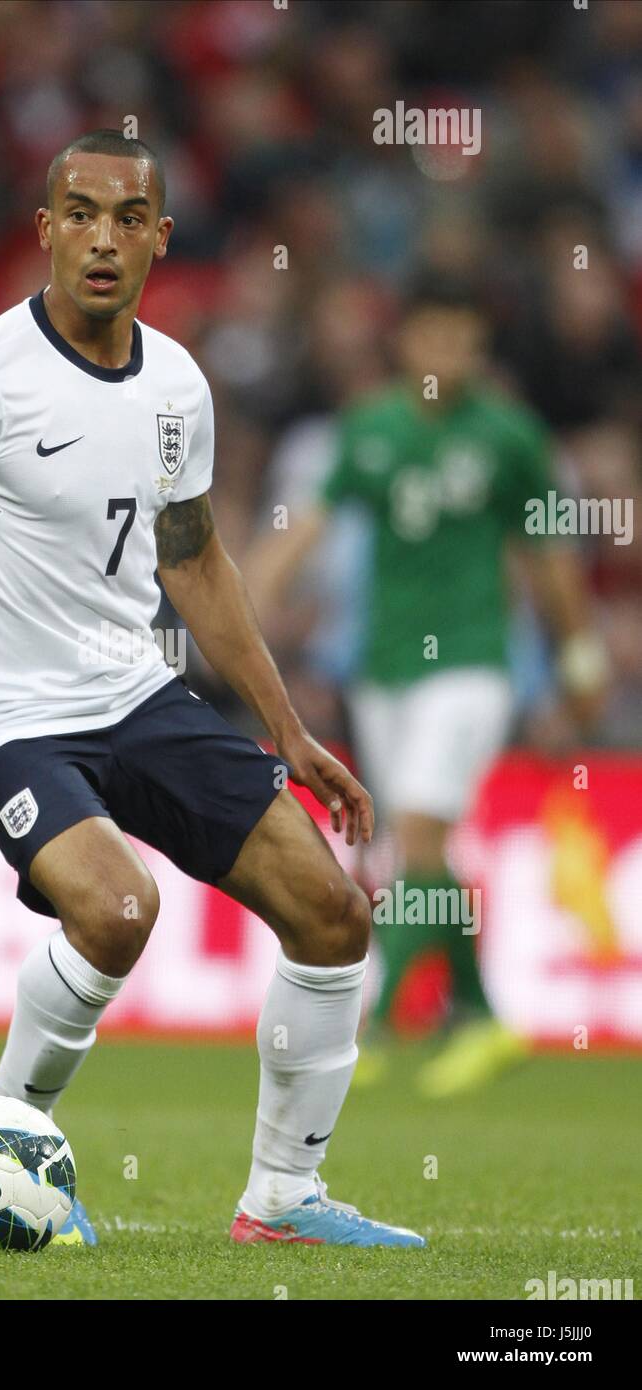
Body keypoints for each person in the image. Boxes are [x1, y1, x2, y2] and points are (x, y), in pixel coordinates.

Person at [0, 130, 424, 1248]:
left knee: (334, 915)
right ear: (44, 231)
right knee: (117, 905)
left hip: (135, 692)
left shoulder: (179, 384)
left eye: (128, 218)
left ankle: (283, 1199)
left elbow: (194, 561)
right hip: (2, 711)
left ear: (159, 238)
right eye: (79, 213)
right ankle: (6, 1143)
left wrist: (288, 729)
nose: (102, 237)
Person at [246, 275, 608, 1098]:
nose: (448, 356)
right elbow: (305, 527)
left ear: (480, 351)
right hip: (383, 668)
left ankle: (366, 1028)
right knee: (415, 852)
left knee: (413, 835)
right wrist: (244, 603)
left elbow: (550, 562)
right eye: (435, 337)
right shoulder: (370, 429)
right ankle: (482, 1019)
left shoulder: (512, 439)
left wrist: (580, 664)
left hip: (476, 663)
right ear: (405, 342)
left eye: (465, 342)